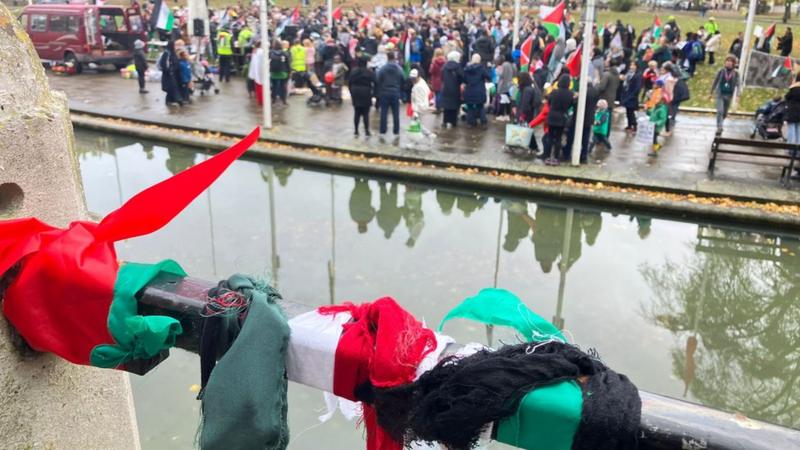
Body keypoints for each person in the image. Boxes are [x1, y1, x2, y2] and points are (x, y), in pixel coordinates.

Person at [543, 74, 575, 166]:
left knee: (549, 137)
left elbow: (549, 102)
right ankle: (556, 158)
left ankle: (547, 157)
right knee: (558, 138)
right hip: (562, 117)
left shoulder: (554, 92)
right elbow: (570, 105)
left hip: (552, 116)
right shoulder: (570, 94)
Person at [709, 55, 739, 135]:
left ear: (733, 64)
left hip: (729, 95)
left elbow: (738, 84)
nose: (728, 63)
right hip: (720, 94)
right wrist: (711, 92)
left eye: (730, 61)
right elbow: (715, 81)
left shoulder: (736, 73)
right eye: (727, 61)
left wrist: (737, 95)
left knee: (724, 113)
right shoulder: (721, 71)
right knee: (720, 111)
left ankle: (721, 123)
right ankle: (719, 127)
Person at [376, 51, 404, 136]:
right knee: (396, 113)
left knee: (384, 112)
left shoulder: (383, 68)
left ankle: (382, 131)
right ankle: (396, 131)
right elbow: (403, 78)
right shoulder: (399, 68)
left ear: (387, 58)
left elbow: (378, 79)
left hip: (384, 92)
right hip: (395, 92)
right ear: (394, 58)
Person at [348, 57, 376, 137]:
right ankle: (367, 131)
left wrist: (351, 92)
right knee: (366, 113)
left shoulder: (354, 71)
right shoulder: (369, 72)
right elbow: (375, 81)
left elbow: (349, 82)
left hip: (356, 92)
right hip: (366, 92)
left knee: (357, 112)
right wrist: (373, 93)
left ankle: (356, 131)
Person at [463, 54, 491, 126]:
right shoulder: (481, 68)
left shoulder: (467, 69)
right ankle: (483, 121)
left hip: (469, 90)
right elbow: (488, 77)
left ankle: (471, 122)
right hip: (479, 90)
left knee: (470, 106)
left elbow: (464, 79)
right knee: (480, 106)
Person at [440, 51, 463, 129]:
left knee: (446, 106)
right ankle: (453, 121)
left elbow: (441, 76)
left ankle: (445, 121)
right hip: (455, 88)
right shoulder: (458, 67)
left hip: (446, 88)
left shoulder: (444, 66)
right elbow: (461, 77)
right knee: (454, 105)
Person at [409, 69, 434, 137]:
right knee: (417, 124)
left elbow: (418, 101)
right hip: (422, 107)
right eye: (411, 78)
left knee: (415, 125)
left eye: (414, 78)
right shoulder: (422, 82)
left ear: (418, 76)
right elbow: (429, 92)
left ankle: (415, 141)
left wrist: (415, 112)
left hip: (419, 109)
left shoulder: (418, 87)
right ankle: (428, 134)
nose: (412, 80)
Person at [157, 40, 183, 106]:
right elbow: (164, 64)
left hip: (173, 73)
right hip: (169, 74)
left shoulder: (172, 52)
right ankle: (178, 100)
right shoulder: (167, 53)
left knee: (172, 88)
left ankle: (170, 101)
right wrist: (169, 70)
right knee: (172, 87)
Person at [620, 61, 642, 132]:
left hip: (632, 96)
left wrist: (633, 94)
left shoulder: (638, 75)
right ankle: (629, 125)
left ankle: (634, 125)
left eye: (633, 65)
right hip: (627, 93)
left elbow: (637, 87)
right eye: (631, 65)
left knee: (631, 112)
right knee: (628, 112)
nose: (631, 67)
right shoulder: (629, 73)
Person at [647, 88, 669, 156]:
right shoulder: (656, 107)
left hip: (656, 127)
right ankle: (657, 147)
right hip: (652, 126)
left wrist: (657, 123)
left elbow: (663, 119)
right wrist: (648, 111)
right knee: (653, 139)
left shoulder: (661, 109)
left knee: (654, 139)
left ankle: (655, 151)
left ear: (661, 101)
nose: (655, 100)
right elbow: (651, 114)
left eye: (657, 99)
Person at [269, 41, 290, 105]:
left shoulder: (270, 53)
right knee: (283, 86)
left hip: (273, 72)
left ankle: (273, 99)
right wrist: (289, 71)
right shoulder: (284, 53)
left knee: (274, 86)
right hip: (283, 72)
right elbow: (287, 63)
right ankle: (283, 100)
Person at [428, 48, 446, 113]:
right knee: (441, 94)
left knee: (437, 94)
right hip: (442, 79)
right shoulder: (445, 61)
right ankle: (441, 106)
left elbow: (431, 71)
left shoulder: (434, 61)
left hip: (435, 79)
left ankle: (438, 108)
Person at [785, 74, 800, 147]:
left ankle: (790, 146)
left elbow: (787, 97)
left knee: (791, 128)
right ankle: (798, 146)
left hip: (793, 110)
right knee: (799, 129)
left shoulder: (794, 88)